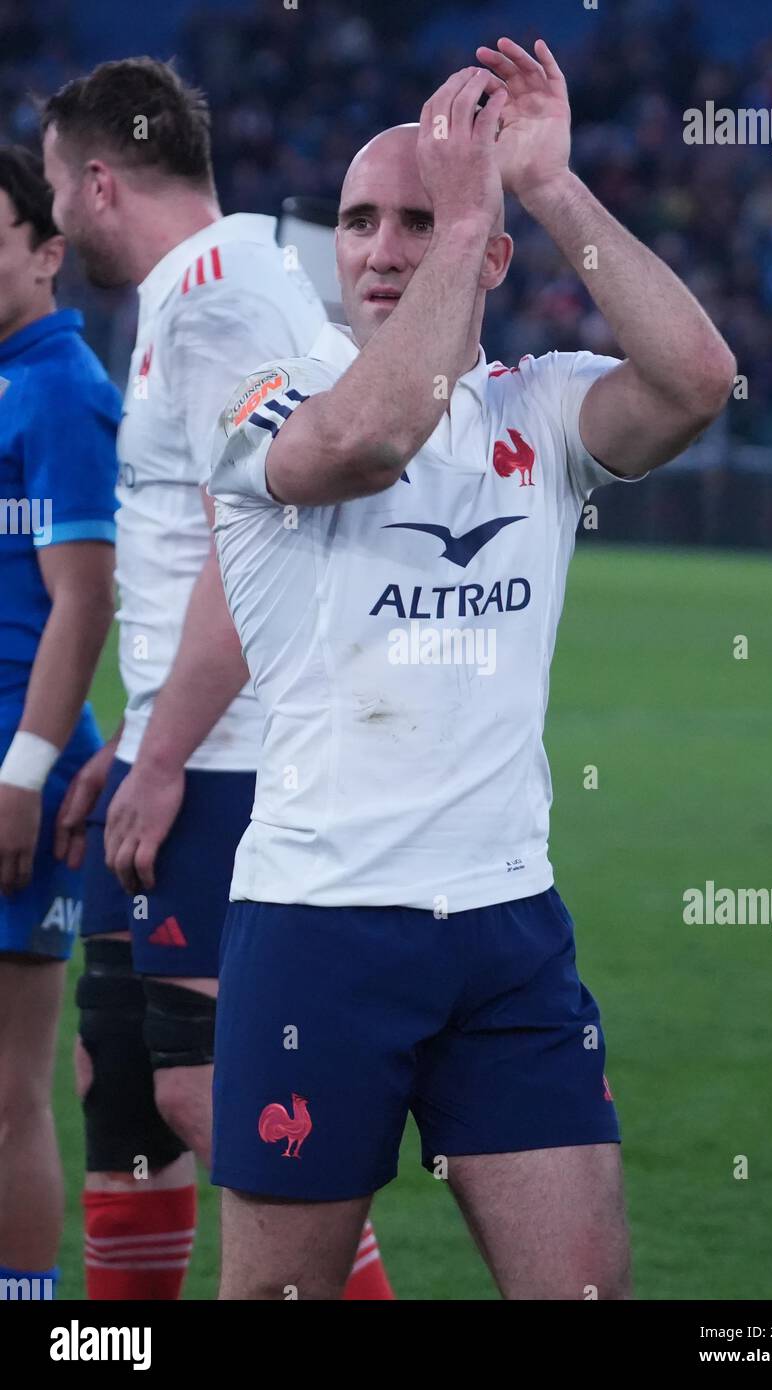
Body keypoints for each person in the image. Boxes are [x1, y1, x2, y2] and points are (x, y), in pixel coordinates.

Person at [208, 39, 736, 1299]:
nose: (384, 247)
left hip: (506, 931)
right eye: (358, 222)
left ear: (493, 258)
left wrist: (546, 189)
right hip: (320, 927)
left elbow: (700, 378)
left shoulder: (537, 411)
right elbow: (378, 433)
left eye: (418, 219)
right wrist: (464, 216)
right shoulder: (272, 401)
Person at [42, 58, 392, 1300]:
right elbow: (192, 541)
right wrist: (133, 746)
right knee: (124, 1082)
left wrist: (163, 758)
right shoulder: (206, 284)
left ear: (95, 178)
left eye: (53, 190)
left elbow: (259, 544)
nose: (55, 220)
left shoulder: (218, 295)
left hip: (233, 762)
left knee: (206, 1091)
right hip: (178, 749)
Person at [0, 146, 118, 1300]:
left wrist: (23, 773)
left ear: (45, 253)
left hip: (15, 777)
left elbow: (84, 601)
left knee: (5, 1091)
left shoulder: (61, 388)